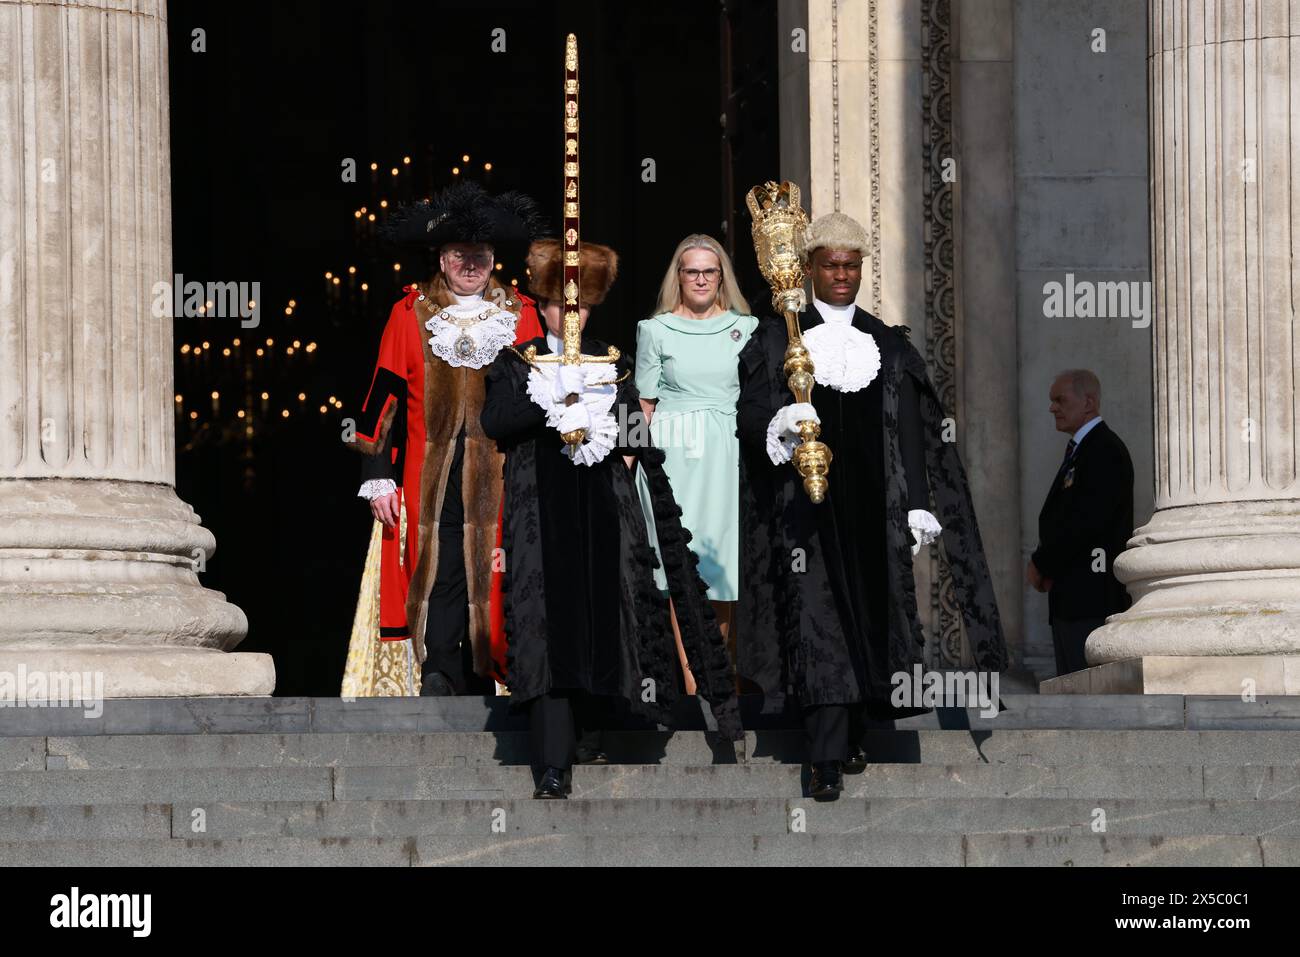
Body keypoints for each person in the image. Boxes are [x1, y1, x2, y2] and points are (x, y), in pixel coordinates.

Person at [736, 212, 1007, 800]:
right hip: (803, 510)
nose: (841, 275)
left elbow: (909, 426)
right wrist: (783, 423)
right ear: (807, 269)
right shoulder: (775, 335)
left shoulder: (885, 342)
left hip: (874, 505)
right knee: (819, 621)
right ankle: (824, 754)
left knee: (869, 616)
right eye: (830, 265)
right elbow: (750, 414)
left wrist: (914, 503)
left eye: (851, 265)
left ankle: (856, 728)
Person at [482, 238, 740, 798]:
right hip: (540, 514)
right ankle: (552, 759)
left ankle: (593, 728)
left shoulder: (615, 361)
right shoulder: (514, 360)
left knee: (602, 614)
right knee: (550, 625)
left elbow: (634, 434)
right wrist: (551, 400)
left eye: (580, 308)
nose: (569, 316)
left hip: (603, 508)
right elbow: (496, 420)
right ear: (542, 304)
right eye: (559, 306)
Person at [348, 182, 544, 697]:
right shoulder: (407, 313)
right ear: (441, 256)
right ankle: (438, 671)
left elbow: (536, 397)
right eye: (460, 253)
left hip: (502, 470)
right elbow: (381, 400)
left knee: (496, 564)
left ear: (494, 256)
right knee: (438, 568)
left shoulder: (521, 315)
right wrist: (378, 476)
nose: (470, 263)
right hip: (426, 472)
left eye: (479, 254)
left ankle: (493, 670)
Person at [635, 235, 757, 691]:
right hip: (673, 458)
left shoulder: (748, 328)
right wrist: (631, 465)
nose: (701, 278)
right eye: (692, 271)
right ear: (679, 277)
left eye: (710, 270)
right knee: (678, 569)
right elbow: (643, 404)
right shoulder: (655, 329)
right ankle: (694, 685)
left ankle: (717, 675)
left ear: (722, 275)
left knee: (721, 568)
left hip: (728, 454)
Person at [1027, 369, 1134, 676]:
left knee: (1085, 697)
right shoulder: (1083, 450)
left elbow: (1084, 522)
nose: (1052, 408)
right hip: (1071, 600)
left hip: (1089, 602)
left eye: (1060, 400)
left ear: (1088, 402)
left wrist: (1042, 563)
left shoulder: (1103, 450)